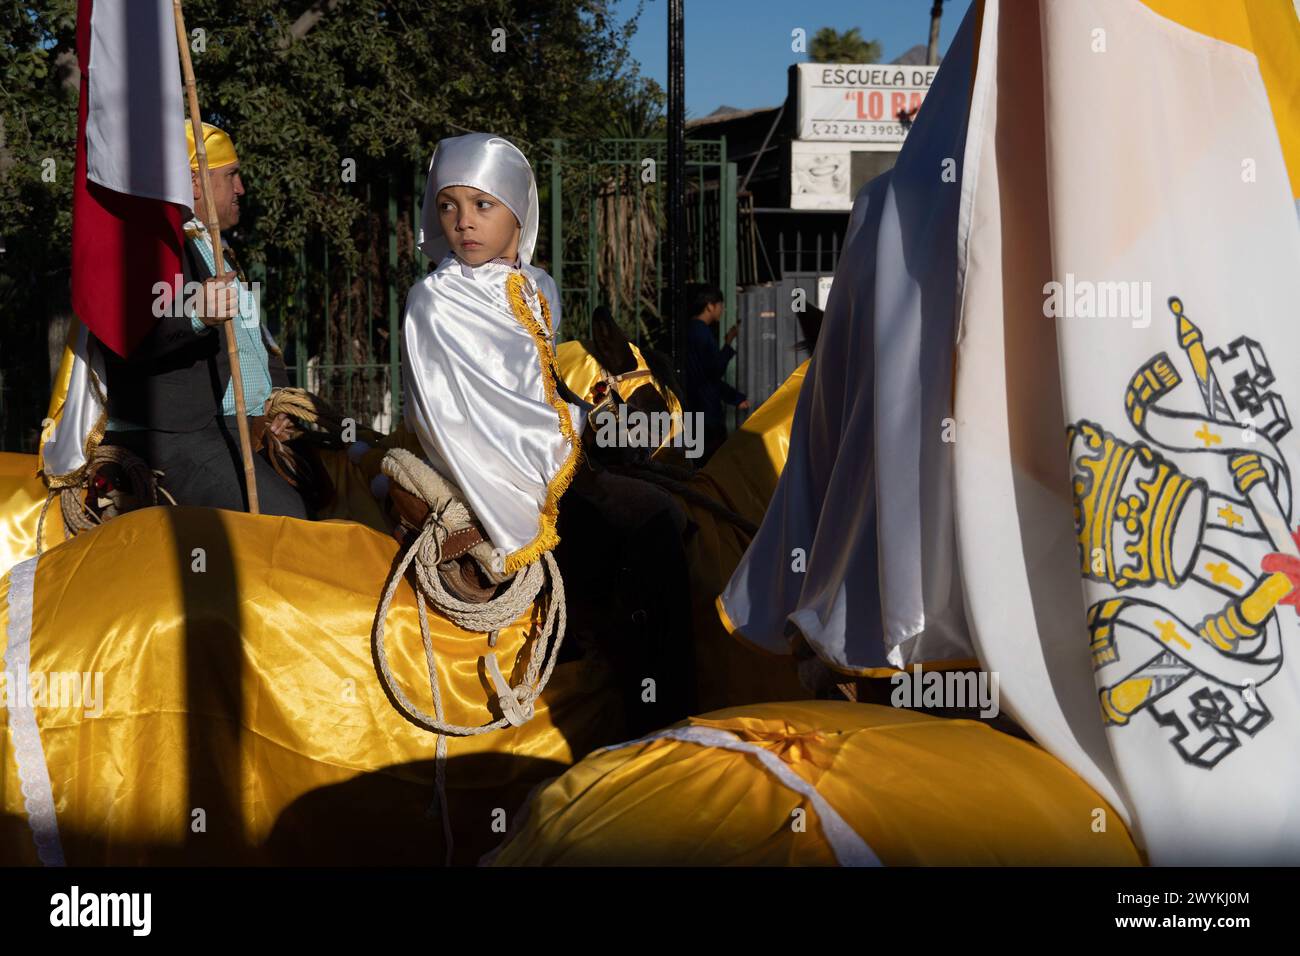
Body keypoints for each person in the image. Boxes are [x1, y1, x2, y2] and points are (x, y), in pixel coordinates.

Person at [97, 122, 307, 518]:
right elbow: (127, 331)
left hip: (242, 427)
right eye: (231, 175)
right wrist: (196, 315)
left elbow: (255, 342)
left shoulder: (217, 248)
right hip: (178, 434)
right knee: (286, 518)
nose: (241, 188)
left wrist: (278, 405)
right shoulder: (147, 240)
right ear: (195, 181)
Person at [402, 132, 583, 576]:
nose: (463, 222)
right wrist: (561, 431)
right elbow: (447, 414)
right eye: (448, 206)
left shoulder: (540, 285)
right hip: (482, 465)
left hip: (552, 444)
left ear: (517, 209)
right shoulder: (434, 298)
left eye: (483, 204)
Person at [683, 283, 749, 462]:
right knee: (713, 462)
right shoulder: (702, 333)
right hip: (707, 411)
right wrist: (728, 344)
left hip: (692, 407)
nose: (722, 310)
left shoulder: (690, 330)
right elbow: (713, 372)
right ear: (710, 305)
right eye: (721, 305)